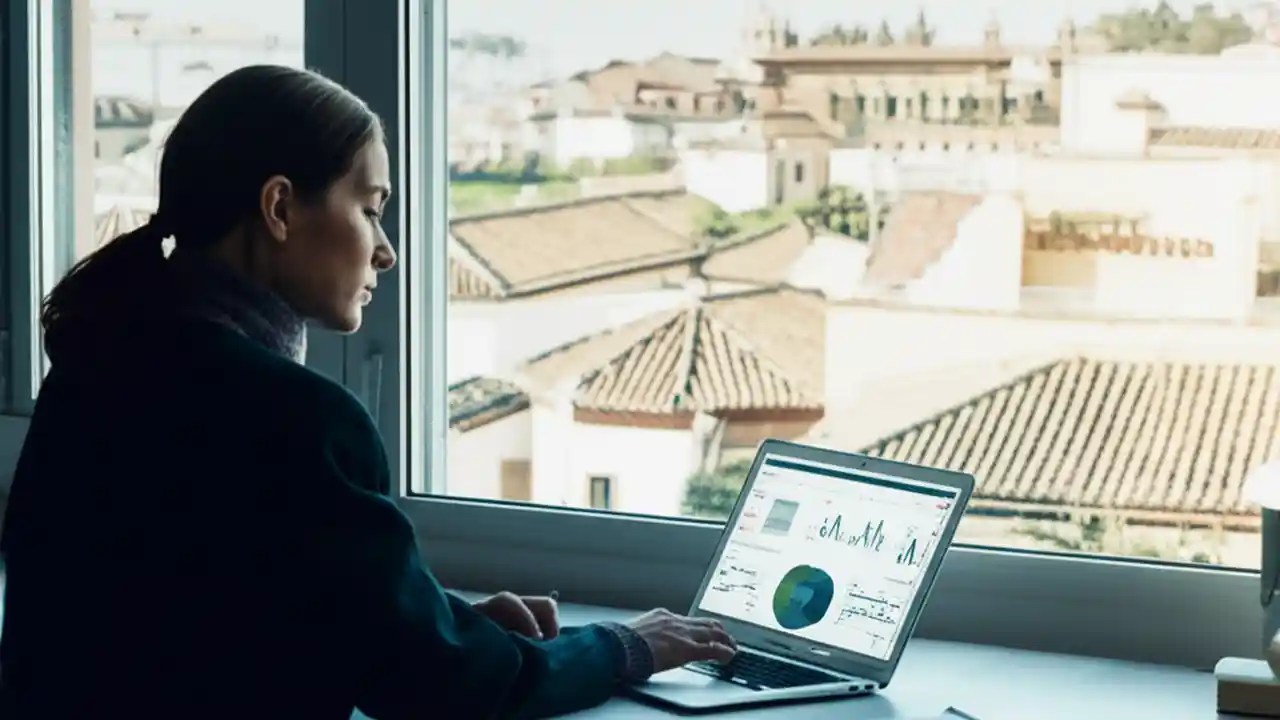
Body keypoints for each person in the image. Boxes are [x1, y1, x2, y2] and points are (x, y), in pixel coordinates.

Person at [0, 65, 736, 719]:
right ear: (281, 208)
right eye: (371, 207)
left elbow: (225, 607)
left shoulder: (97, 370)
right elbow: (436, 690)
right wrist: (621, 647)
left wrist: (433, 617)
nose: (385, 250)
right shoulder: (296, 419)